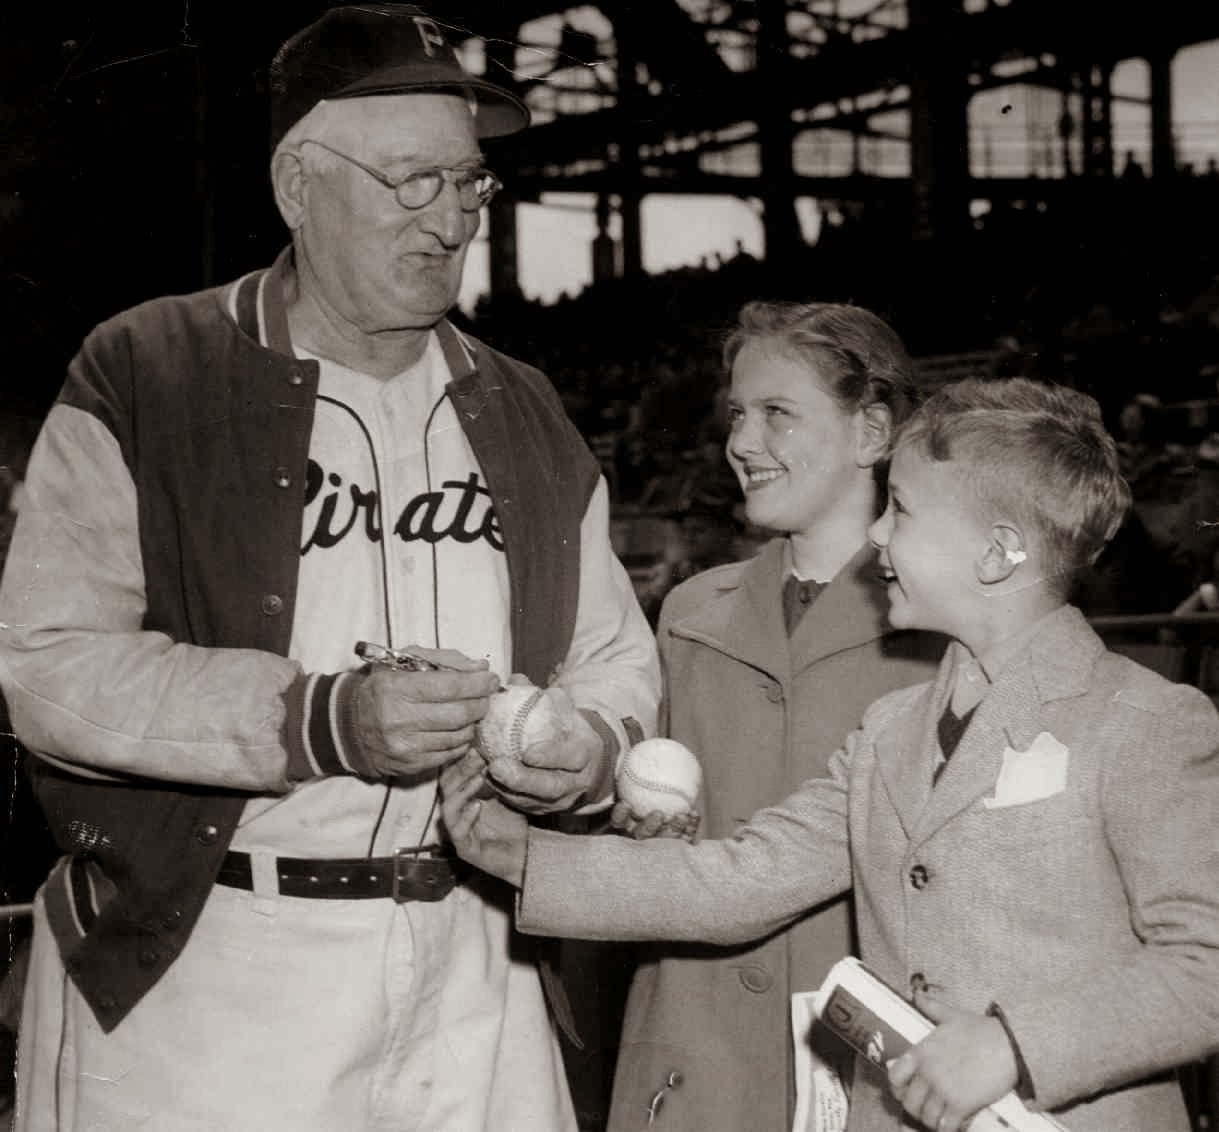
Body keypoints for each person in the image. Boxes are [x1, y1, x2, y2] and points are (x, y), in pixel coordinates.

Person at [0, 5, 660, 1130]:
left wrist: (587, 749)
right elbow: (50, 666)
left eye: (467, 185)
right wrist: (322, 719)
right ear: (297, 185)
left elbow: (612, 659)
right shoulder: (147, 370)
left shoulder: (523, 403)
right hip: (214, 964)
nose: (449, 219)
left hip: (474, 960)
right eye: (410, 181)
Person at [442, 377, 1219, 1132]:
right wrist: (524, 858)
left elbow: (1207, 967)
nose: (876, 533)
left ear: (997, 553)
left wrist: (1014, 1044)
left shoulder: (1145, 721)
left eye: (902, 510)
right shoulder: (890, 729)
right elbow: (739, 880)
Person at [613, 300, 945, 1130]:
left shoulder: (943, 626)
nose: (740, 442)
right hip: (694, 1055)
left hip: (869, 1062)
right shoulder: (689, 612)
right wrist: (629, 823)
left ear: (871, 433)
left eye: (776, 414)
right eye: (735, 414)